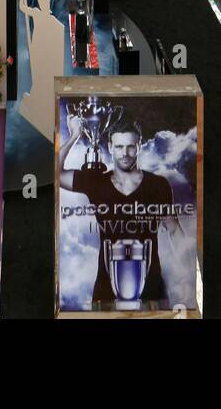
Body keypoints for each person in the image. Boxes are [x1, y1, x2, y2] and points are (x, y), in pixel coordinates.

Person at [58, 112, 180, 310]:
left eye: (131, 146)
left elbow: (175, 231)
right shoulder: (96, 182)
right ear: (110, 148)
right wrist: (74, 136)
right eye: (119, 147)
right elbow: (56, 173)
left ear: (139, 146)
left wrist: (184, 278)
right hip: (106, 292)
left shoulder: (158, 185)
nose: (125, 153)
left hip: (152, 292)